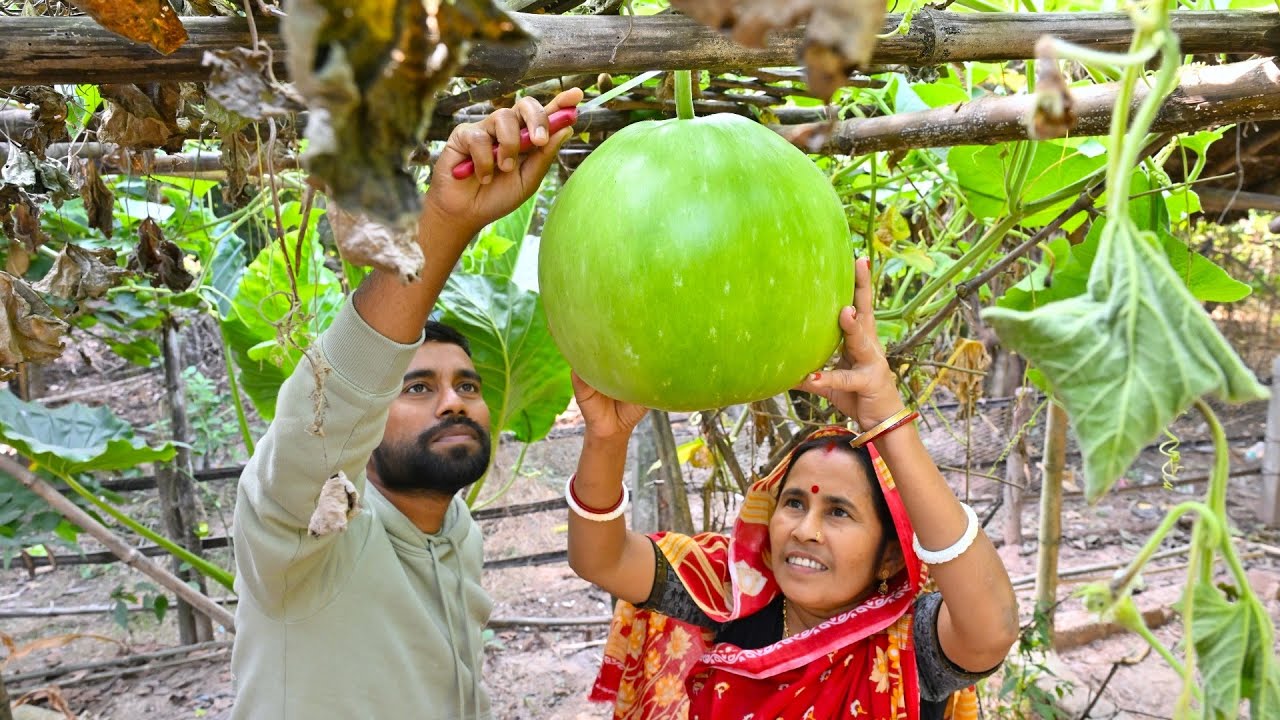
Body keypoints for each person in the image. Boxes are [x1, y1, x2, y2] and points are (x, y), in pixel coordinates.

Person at [229, 87, 584, 719]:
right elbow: (329, 407)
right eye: (417, 387)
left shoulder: (456, 533)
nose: (454, 402)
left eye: (468, 386)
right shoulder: (300, 542)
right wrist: (444, 222)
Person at [566, 258, 1019, 720]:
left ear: (888, 555)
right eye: (795, 502)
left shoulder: (910, 643)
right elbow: (602, 558)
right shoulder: (731, 594)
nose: (805, 530)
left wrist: (889, 423)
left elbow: (992, 629)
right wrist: (606, 439)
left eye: (839, 512)